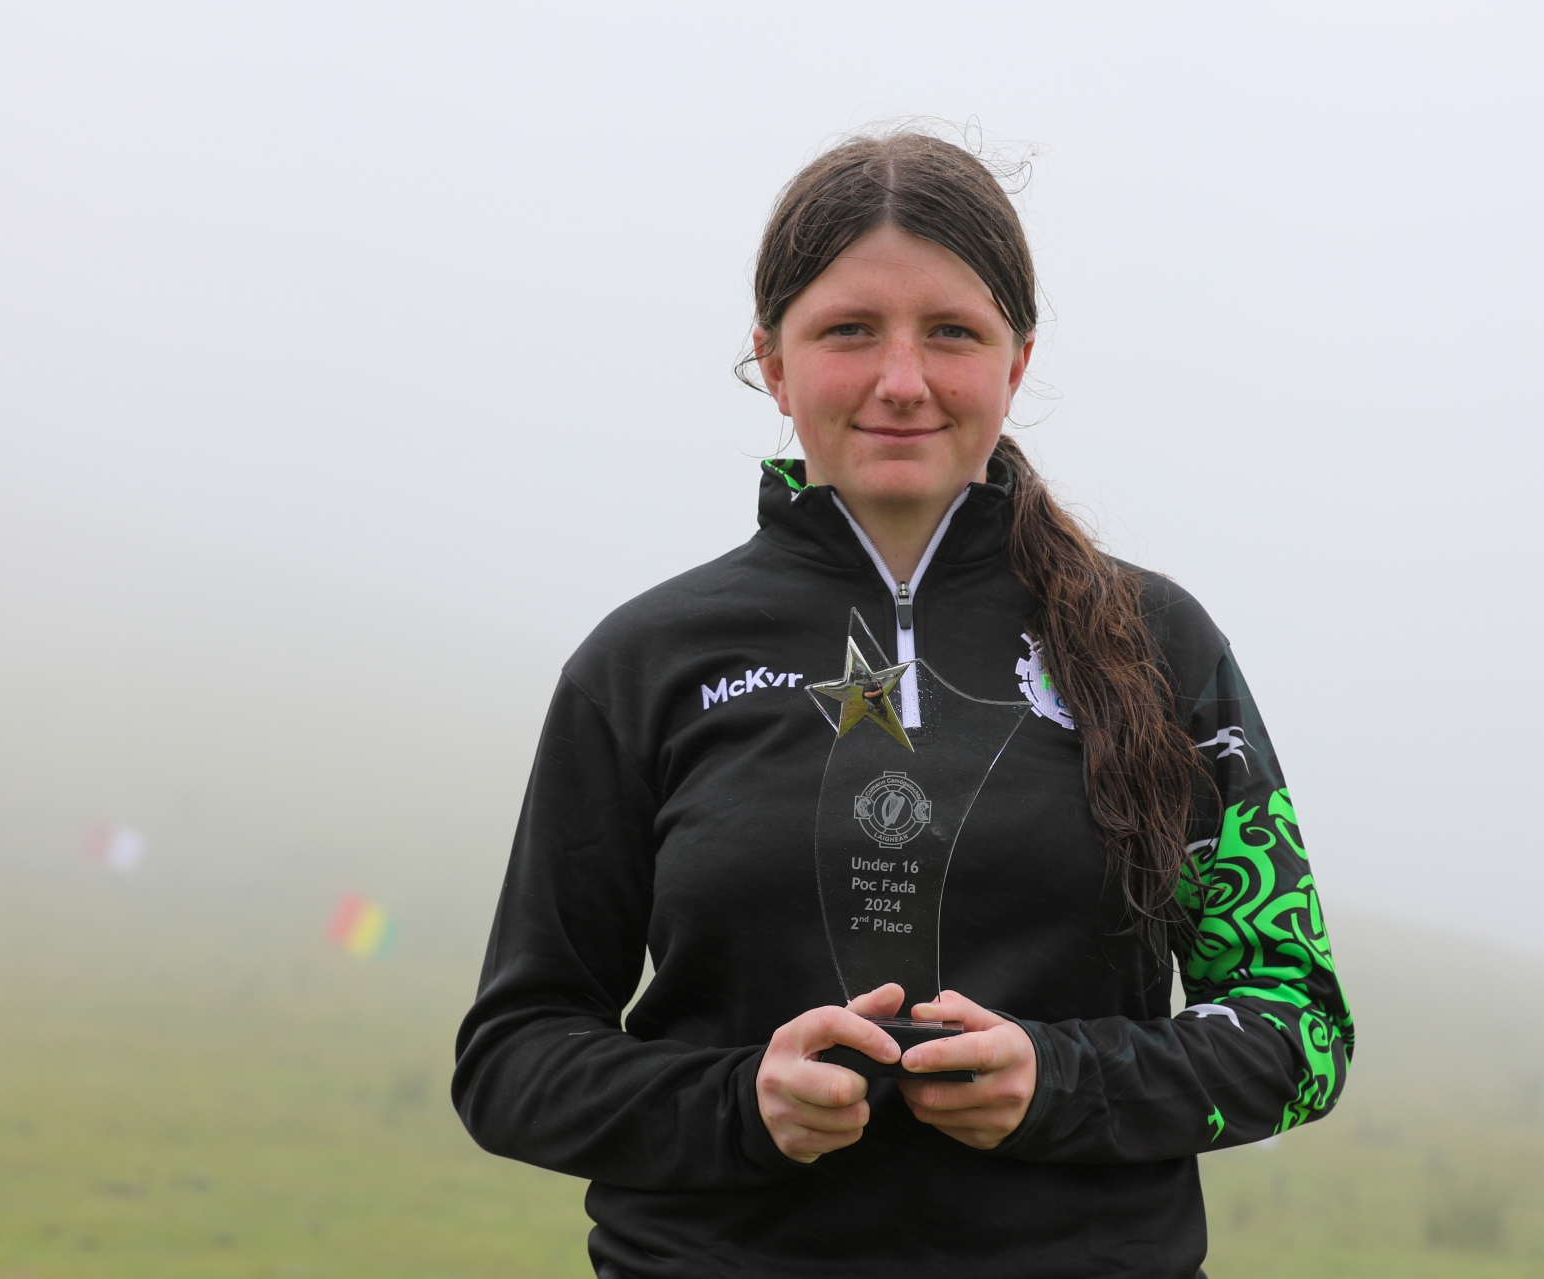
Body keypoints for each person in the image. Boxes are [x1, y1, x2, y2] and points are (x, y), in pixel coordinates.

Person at [452, 130, 1353, 1279]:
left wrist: (1061, 1080)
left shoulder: (1155, 646)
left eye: (951, 333)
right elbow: (512, 1063)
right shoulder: (643, 663)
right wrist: (744, 1101)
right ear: (773, 363)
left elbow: (1301, 1027)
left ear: (1016, 363)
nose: (902, 380)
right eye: (848, 331)